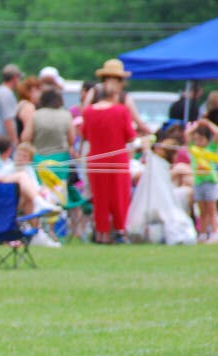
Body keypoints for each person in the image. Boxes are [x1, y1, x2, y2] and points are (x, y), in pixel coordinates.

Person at [82, 59, 137, 244]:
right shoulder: (122, 110)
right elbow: (130, 135)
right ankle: (120, 232)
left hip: (96, 159)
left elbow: (85, 134)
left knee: (100, 199)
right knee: (119, 197)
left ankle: (102, 234)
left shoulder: (89, 111)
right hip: (118, 159)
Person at [184, 118, 218, 241]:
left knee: (211, 209)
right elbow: (187, 134)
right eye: (196, 139)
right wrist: (197, 126)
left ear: (207, 139)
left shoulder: (211, 149)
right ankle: (202, 233)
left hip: (209, 182)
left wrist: (207, 123)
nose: (198, 141)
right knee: (202, 210)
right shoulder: (194, 150)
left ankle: (214, 232)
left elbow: (217, 133)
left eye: (201, 138)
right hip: (198, 182)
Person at [0, 63, 22, 147]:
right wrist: (15, 141)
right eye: (19, 78)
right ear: (15, 77)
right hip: (6, 142)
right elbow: (8, 120)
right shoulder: (6, 93)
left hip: (0, 139)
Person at [15, 76, 41, 141]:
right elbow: (29, 132)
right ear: (32, 90)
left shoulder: (22, 104)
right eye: (39, 89)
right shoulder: (28, 107)